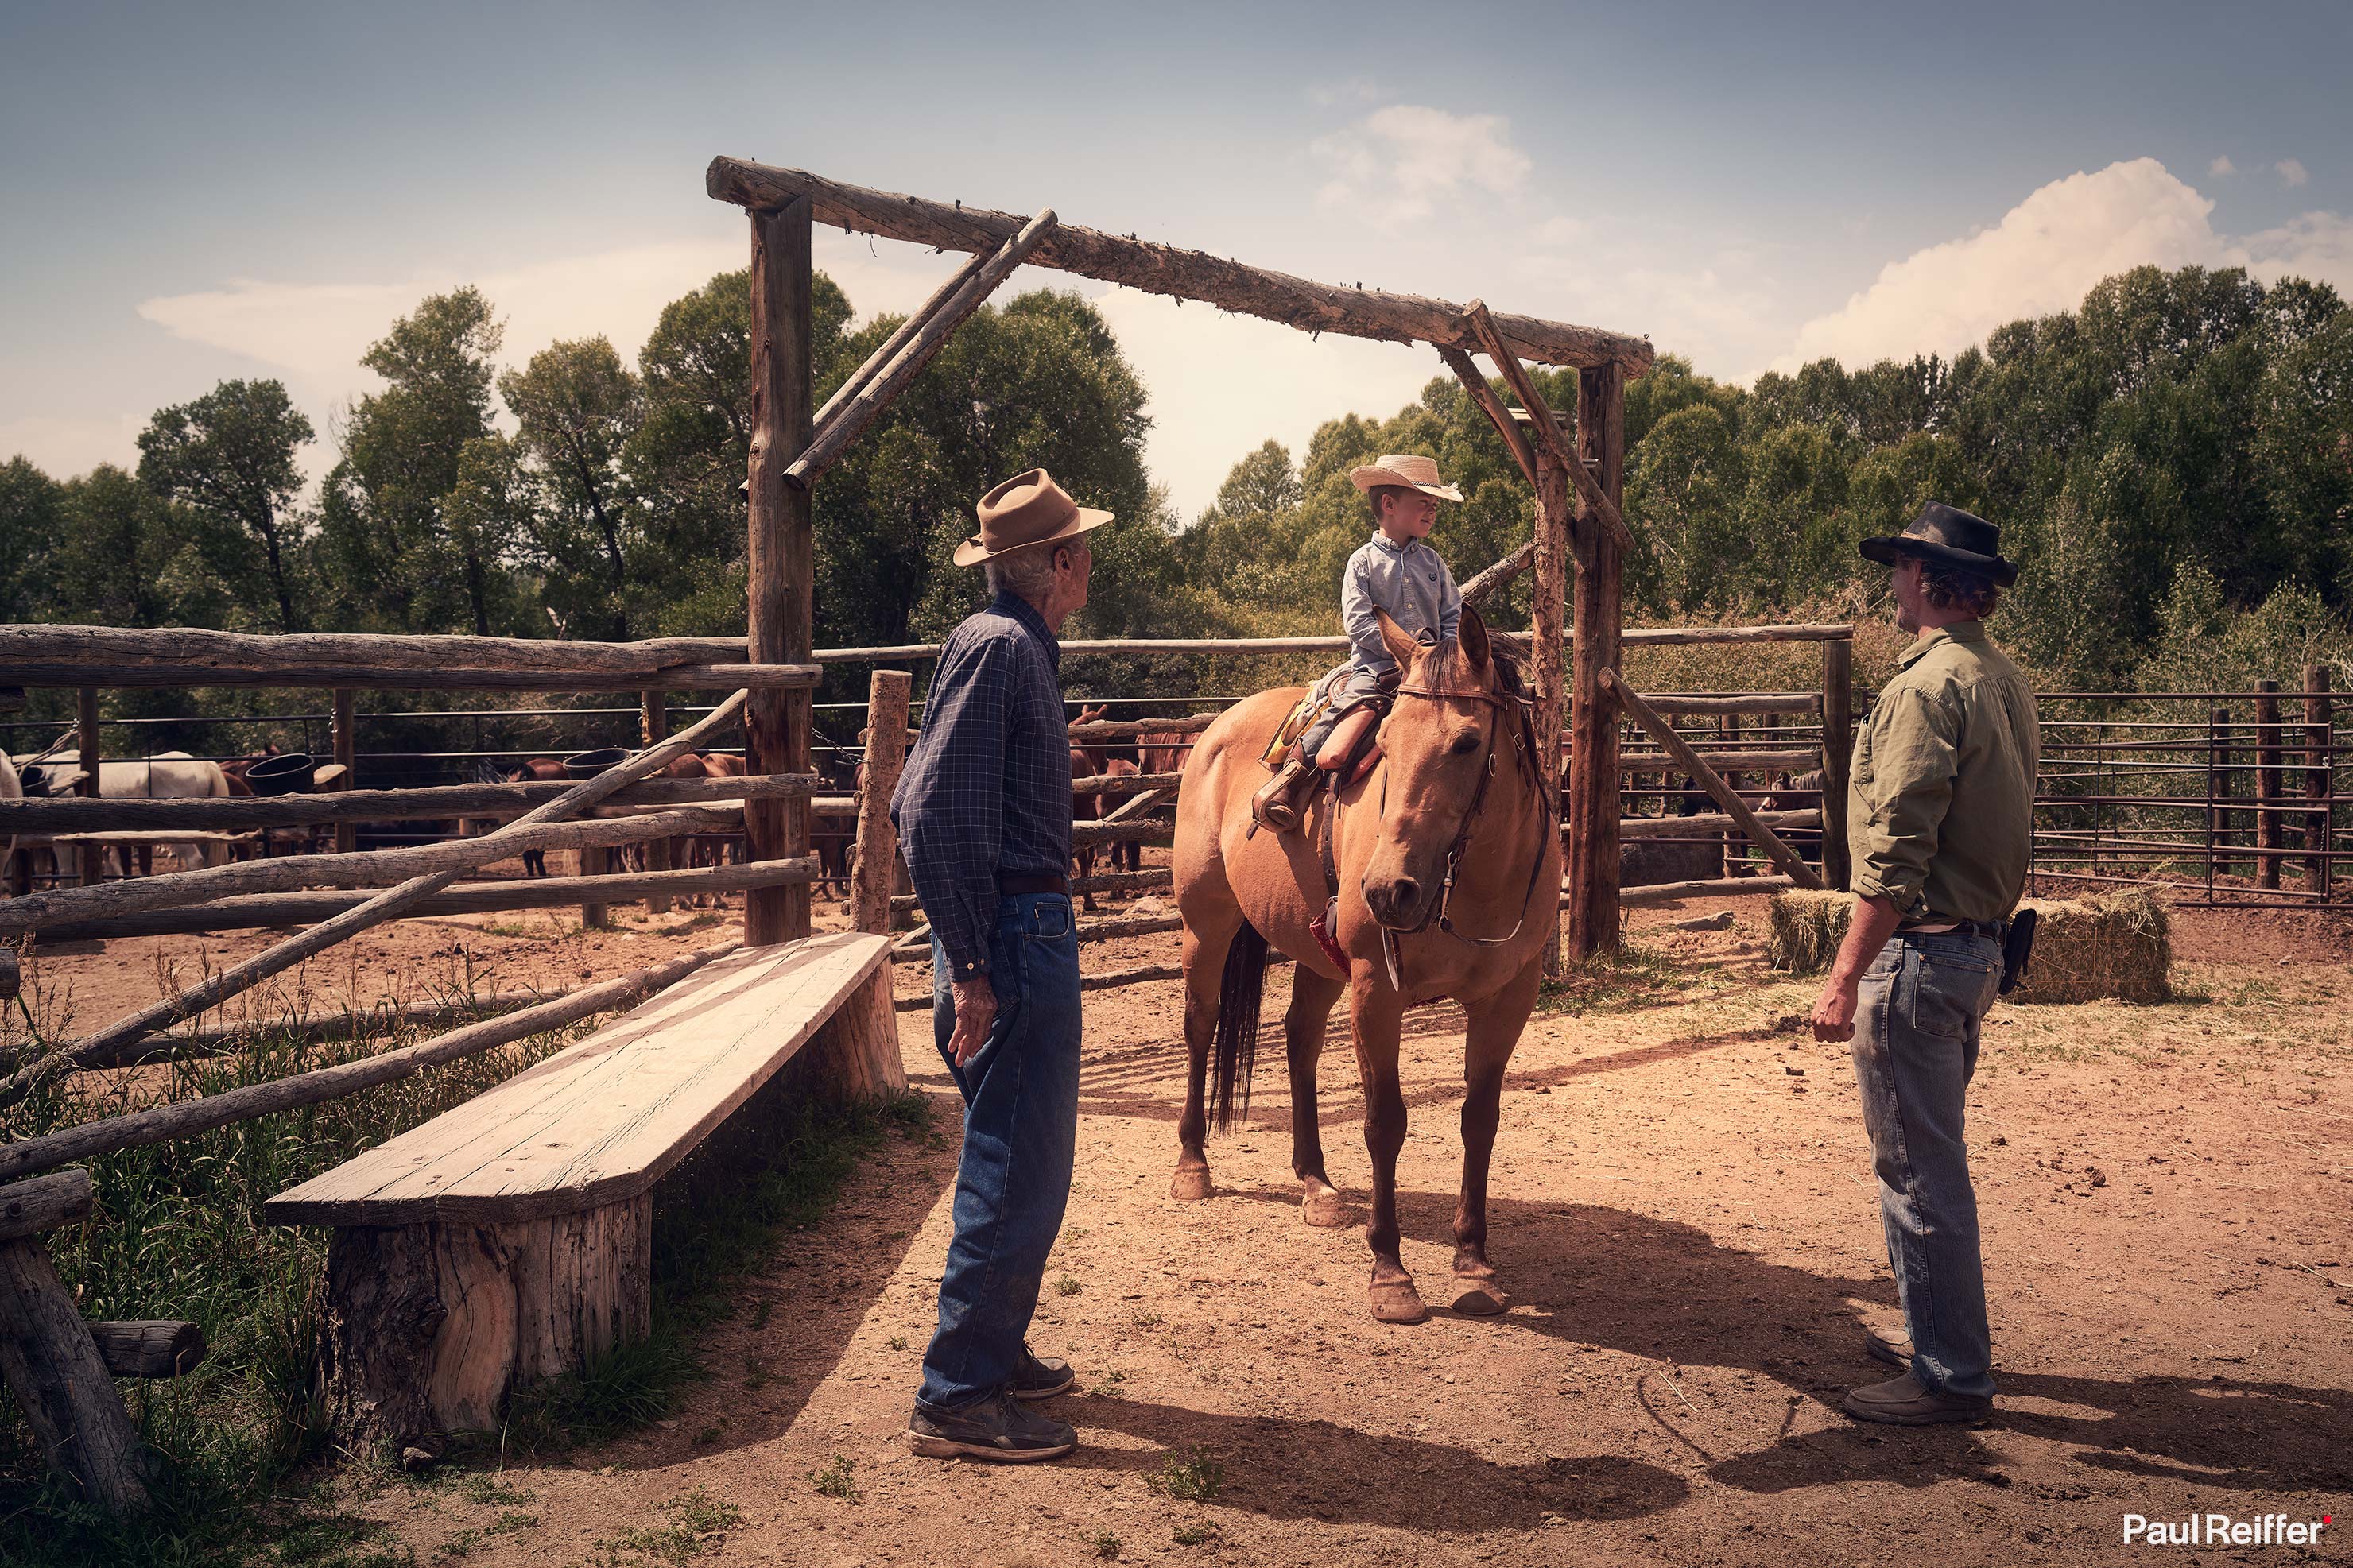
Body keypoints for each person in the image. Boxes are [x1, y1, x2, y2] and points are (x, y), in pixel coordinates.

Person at [890, 467, 1113, 1462]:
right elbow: (928, 810)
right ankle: (957, 1395)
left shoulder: (1015, 646)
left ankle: (992, 1344)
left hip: (1015, 928)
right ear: (1059, 562)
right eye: (1083, 547)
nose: (1091, 561)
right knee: (1014, 1158)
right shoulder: (999, 647)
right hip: (1011, 935)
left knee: (1027, 1155)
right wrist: (974, 963)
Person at [1810, 501, 2040, 1427]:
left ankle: (1947, 1374)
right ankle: (1933, 1334)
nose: (1892, 582)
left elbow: (1896, 858)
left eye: (1903, 567)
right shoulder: (1999, 676)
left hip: (1920, 954)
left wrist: (1839, 978)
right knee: (1925, 1156)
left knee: (1915, 1168)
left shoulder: (1921, 689)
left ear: (1932, 581)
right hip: (1977, 947)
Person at [1250, 452, 1464, 832]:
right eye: (1424, 503)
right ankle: (1290, 781)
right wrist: (1405, 654)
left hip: (1432, 674)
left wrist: (1439, 658)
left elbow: (1452, 616)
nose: (1432, 511)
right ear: (1389, 504)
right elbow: (1360, 624)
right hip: (1377, 670)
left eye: (1435, 505)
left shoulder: (1434, 564)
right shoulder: (1361, 563)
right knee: (1343, 718)